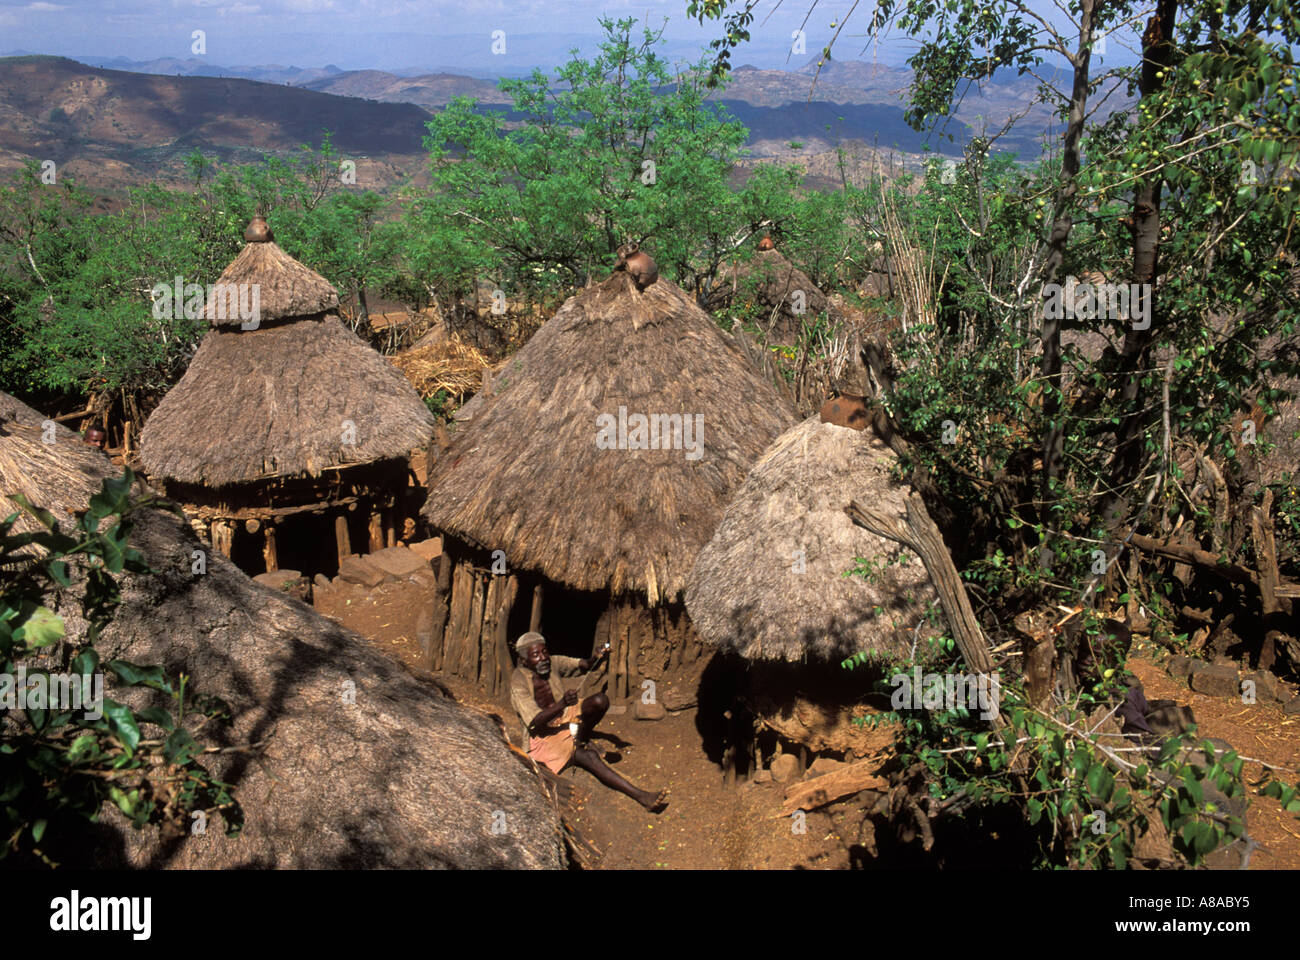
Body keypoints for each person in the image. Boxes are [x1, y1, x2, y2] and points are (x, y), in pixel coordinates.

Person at [509, 631, 668, 813]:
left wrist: (596, 657)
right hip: (543, 735)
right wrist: (562, 703)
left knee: (600, 701)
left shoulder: (553, 662)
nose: (543, 658)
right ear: (524, 661)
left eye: (544, 652)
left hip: (566, 715)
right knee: (588, 757)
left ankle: (580, 738)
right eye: (535, 655)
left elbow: (583, 665)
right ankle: (642, 796)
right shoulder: (518, 681)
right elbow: (535, 721)